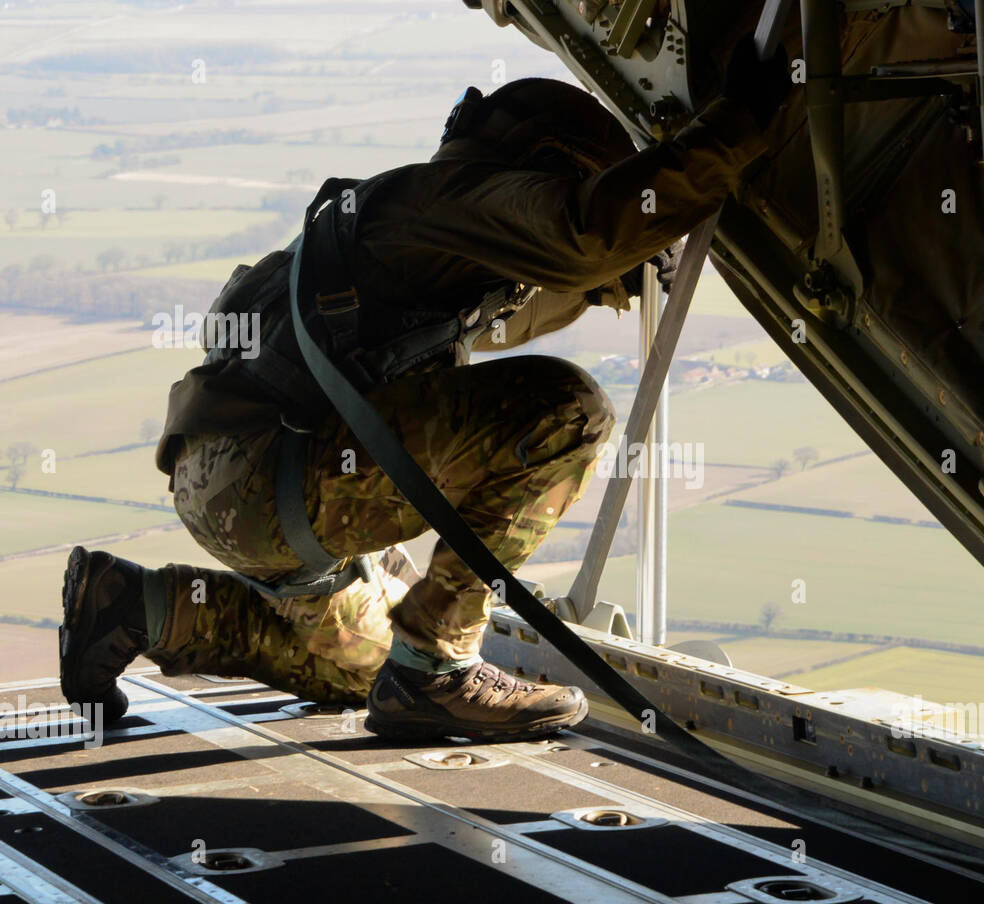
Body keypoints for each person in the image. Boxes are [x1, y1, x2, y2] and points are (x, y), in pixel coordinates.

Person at [58, 37, 791, 742]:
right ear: (541, 165)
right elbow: (581, 233)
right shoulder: (447, 198)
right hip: (276, 481)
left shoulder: (402, 221)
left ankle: (134, 606)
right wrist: (736, 130)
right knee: (566, 412)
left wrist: (612, 279)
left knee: (363, 670)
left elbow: (512, 308)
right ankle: (439, 666)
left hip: (235, 486)